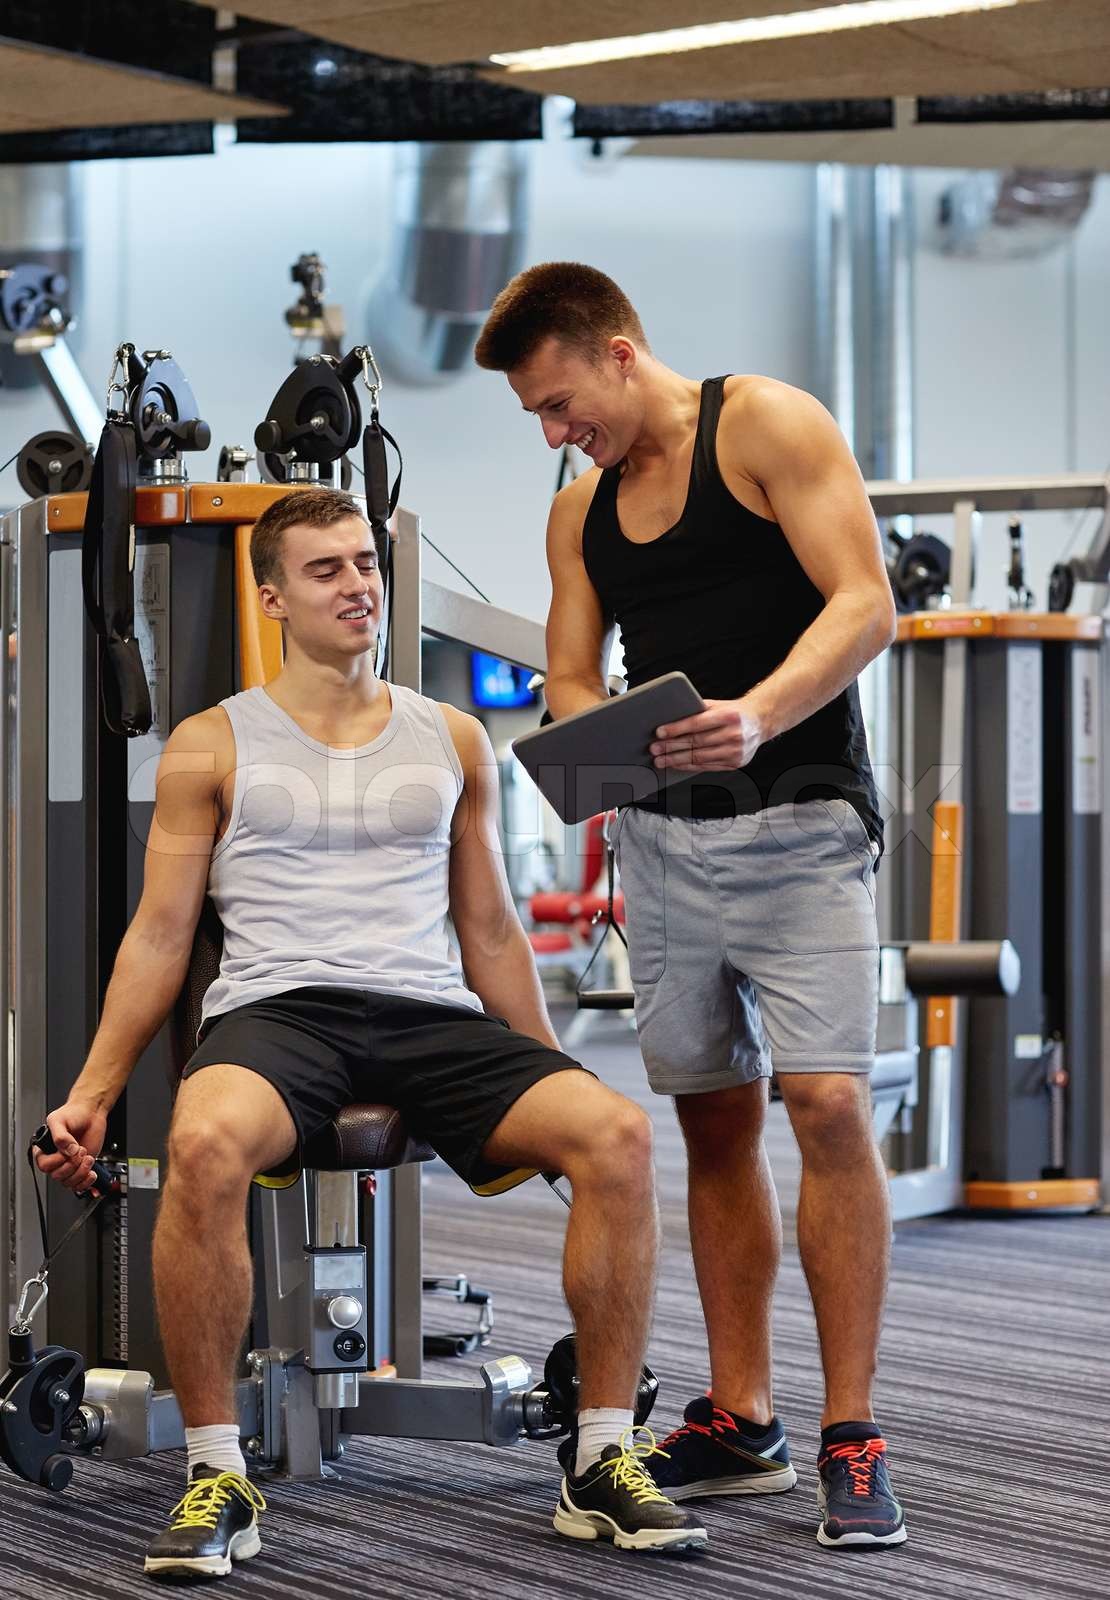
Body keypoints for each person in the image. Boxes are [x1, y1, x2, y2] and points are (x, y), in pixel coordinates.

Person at [36, 487, 708, 1579]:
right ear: (271, 596)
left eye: (366, 563)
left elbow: (487, 924)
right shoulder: (212, 744)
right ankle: (219, 1470)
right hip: (277, 1011)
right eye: (326, 570)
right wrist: (95, 1088)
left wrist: (549, 1062)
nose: (359, 585)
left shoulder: (448, 735)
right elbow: (161, 936)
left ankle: (600, 1459)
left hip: (425, 1012)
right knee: (203, 1145)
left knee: (618, 1134)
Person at [475, 263, 906, 1550]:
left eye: (561, 405)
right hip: (664, 850)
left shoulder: (768, 424)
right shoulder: (581, 516)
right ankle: (741, 1414)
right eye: (540, 421)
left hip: (807, 817)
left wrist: (757, 713)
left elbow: (867, 601)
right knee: (713, 1124)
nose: (559, 436)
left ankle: (853, 1430)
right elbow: (562, 674)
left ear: (618, 352)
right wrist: (584, 740)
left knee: (824, 1101)